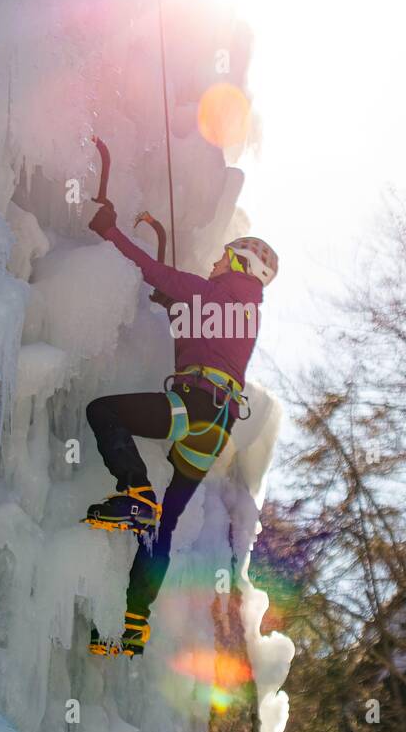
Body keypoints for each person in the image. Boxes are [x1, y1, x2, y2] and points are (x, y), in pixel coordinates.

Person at [83, 193, 278, 657]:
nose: (214, 261)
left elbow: (158, 273)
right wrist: (175, 305)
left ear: (236, 262)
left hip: (195, 406)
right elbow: (199, 331)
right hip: (216, 429)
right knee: (163, 526)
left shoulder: (216, 292)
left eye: (222, 257)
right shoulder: (243, 310)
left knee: (103, 412)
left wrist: (109, 230)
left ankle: (135, 491)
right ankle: (134, 627)